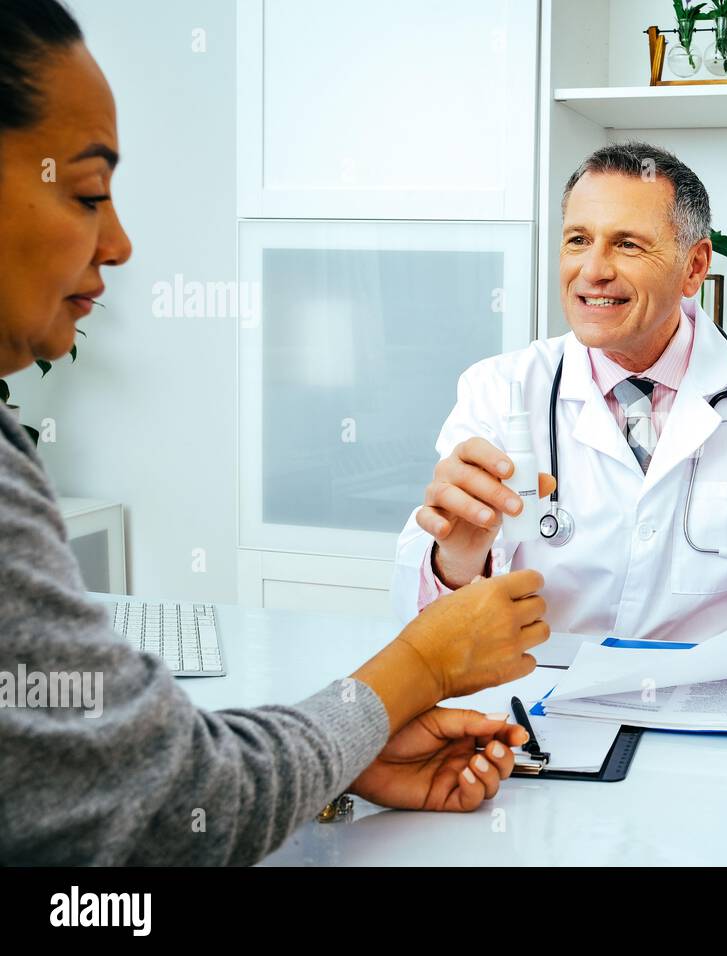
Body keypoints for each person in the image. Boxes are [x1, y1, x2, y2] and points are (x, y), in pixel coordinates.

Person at [0, 0, 549, 865]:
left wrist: (343, 754)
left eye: (629, 244)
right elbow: (171, 805)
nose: (122, 243)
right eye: (88, 192)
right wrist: (423, 664)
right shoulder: (501, 385)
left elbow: (139, 775)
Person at [394, 142, 727, 704]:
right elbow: (429, 611)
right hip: (543, 704)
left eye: (627, 244)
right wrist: (456, 556)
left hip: (717, 703)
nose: (592, 271)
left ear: (694, 266)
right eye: (578, 240)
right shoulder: (498, 389)